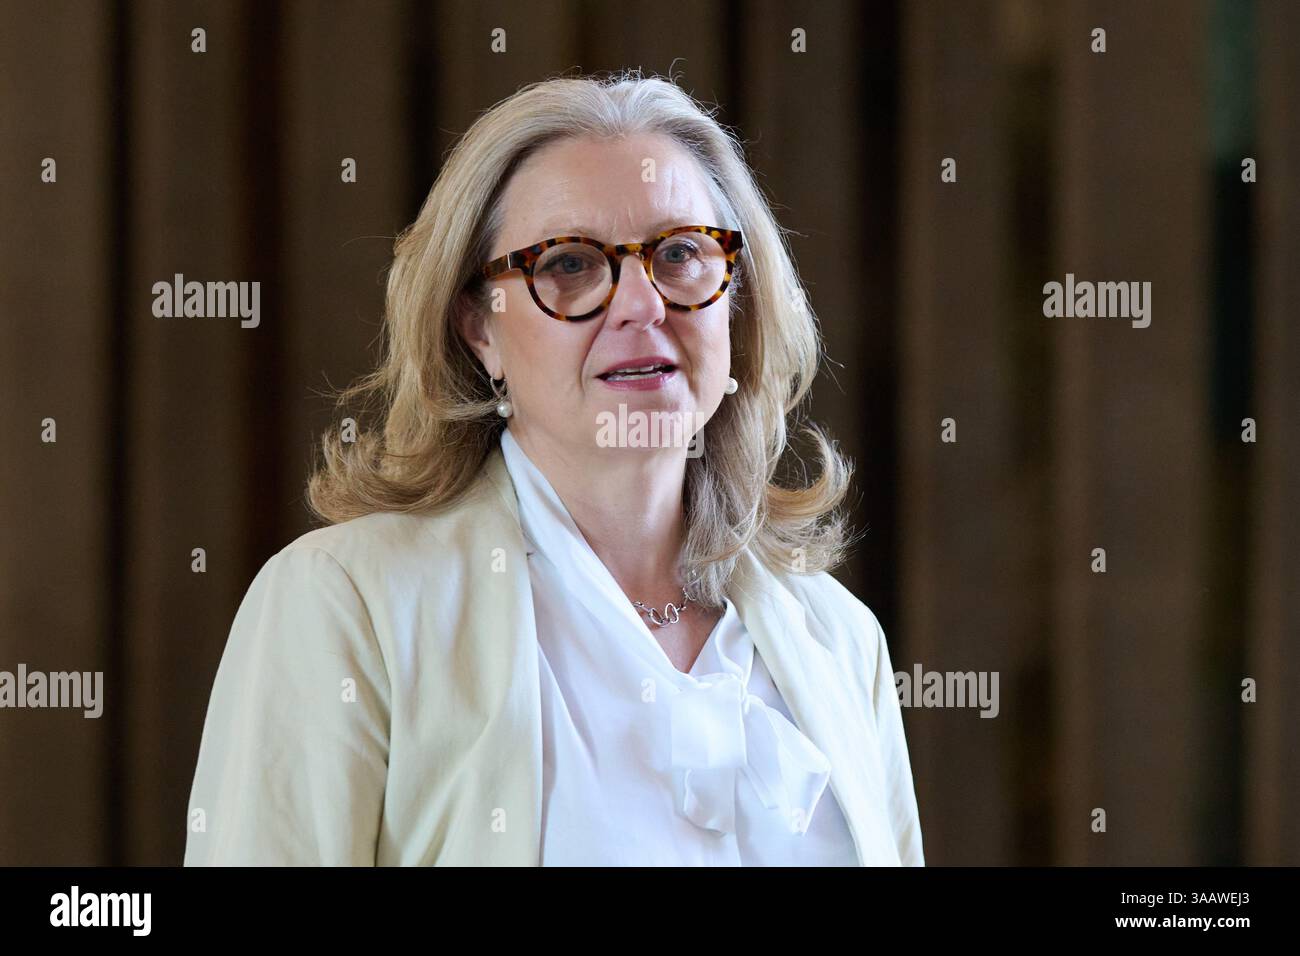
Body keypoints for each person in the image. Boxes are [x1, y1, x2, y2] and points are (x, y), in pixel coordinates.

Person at [183, 70, 923, 866]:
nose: (641, 304)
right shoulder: (346, 604)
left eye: (679, 253)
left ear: (737, 307)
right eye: (569, 265)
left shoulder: (839, 639)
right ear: (479, 331)